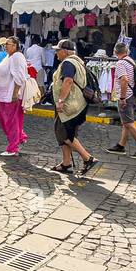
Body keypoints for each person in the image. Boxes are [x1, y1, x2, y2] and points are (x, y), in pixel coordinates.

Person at [50, 39, 95, 174]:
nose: (56, 53)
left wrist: (61, 100)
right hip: (76, 105)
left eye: (58, 50)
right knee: (63, 132)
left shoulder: (68, 63)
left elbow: (68, 81)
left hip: (70, 106)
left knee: (65, 134)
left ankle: (88, 158)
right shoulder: (77, 62)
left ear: (64, 51)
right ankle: (66, 163)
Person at [107, 39, 136, 156]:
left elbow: (124, 79)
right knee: (126, 122)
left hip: (127, 96)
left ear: (115, 52)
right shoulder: (130, 61)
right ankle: (121, 145)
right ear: (127, 51)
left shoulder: (120, 63)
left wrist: (122, 98)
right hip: (133, 95)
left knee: (129, 123)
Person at [0, 37, 28, 157]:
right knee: (4, 119)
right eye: (5, 44)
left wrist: (15, 93)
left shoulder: (17, 57)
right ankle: (19, 137)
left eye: (8, 44)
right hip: (3, 95)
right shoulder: (9, 57)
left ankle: (13, 147)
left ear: (15, 45)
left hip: (10, 95)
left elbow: (19, 76)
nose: (5, 46)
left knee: (10, 121)